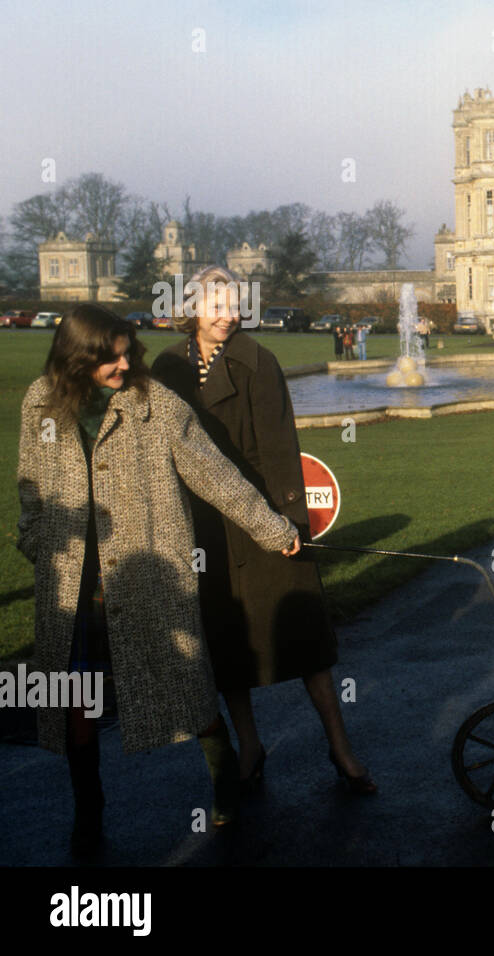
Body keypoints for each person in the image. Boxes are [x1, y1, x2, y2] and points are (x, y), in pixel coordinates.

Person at [17, 304, 302, 854]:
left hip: (151, 578)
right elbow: (30, 484)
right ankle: (88, 810)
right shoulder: (39, 404)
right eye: (110, 357)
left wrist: (273, 528)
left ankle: (226, 784)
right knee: (76, 704)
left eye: (129, 352)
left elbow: (215, 474)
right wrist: (36, 537)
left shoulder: (157, 406)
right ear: (77, 358)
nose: (125, 364)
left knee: (188, 691)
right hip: (71, 584)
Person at [152, 267, 375, 798]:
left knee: (306, 642)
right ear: (192, 308)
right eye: (217, 305)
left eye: (235, 305)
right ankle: (249, 746)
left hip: (264, 519)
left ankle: (340, 746)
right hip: (206, 528)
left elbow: (280, 452)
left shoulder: (259, 362)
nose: (229, 315)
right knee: (227, 648)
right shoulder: (165, 367)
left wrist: (288, 526)